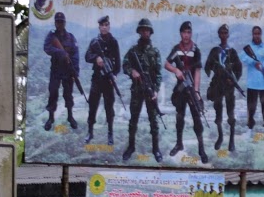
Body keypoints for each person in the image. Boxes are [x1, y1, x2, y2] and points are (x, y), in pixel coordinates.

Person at [164, 20, 208, 163]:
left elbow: (197, 71)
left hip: (191, 87)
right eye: (184, 32)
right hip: (180, 88)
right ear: (181, 33)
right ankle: (179, 143)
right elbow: (166, 64)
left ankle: (201, 148)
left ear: (191, 33)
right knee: (179, 117)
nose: (186, 35)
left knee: (197, 118)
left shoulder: (196, 50)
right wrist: (176, 70)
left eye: (189, 32)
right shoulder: (176, 48)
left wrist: (196, 90)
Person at [121, 18, 164, 163]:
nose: (145, 32)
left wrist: (156, 90)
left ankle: (156, 149)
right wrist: (132, 71)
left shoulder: (155, 51)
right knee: (133, 120)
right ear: (139, 32)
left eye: (147, 30)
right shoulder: (133, 51)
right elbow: (125, 65)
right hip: (137, 90)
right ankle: (131, 147)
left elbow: (158, 73)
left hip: (150, 89)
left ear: (150, 32)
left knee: (154, 121)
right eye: (143, 30)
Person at [204, 24, 243, 152]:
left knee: (231, 114)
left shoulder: (232, 52)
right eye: (221, 33)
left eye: (225, 33)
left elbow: (239, 69)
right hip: (218, 85)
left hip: (229, 86)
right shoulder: (215, 51)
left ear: (228, 35)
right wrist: (215, 69)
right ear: (219, 35)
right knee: (218, 113)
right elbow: (207, 67)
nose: (223, 35)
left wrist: (233, 80)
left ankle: (231, 140)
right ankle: (220, 136)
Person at [84, 14, 120, 145]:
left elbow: (118, 65)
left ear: (109, 26)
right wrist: (96, 58)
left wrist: (114, 75)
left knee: (109, 108)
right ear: (99, 27)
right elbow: (87, 56)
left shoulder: (113, 42)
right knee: (92, 106)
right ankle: (90, 132)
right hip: (97, 79)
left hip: (108, 81)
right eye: (102, 25)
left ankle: (110, 134)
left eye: (106, 25)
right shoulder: (95, 42)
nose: (104, 28)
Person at [42, 11, 80, 132]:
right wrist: (60, 52)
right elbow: (47, 48)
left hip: (68, 71)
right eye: (57, 22)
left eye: (61, 22)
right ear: (55, 23)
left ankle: (70, 116)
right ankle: (51, 118)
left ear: (64, 23)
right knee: (53, 93)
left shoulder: (71, 37)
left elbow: (75, 55)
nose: (59, 24)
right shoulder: (52, 36)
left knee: (68, 95)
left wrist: (76, 72)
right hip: (56, 70)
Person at [244, 26, 264, 132]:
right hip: (252, 83)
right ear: (252, 35)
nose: (257, 35)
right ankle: (250, 129)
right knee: (251, 108)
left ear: (261, 35)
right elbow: (243, 58)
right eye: (255, 33)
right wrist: (254, 62)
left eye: (258, 33)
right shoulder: (249, 48)